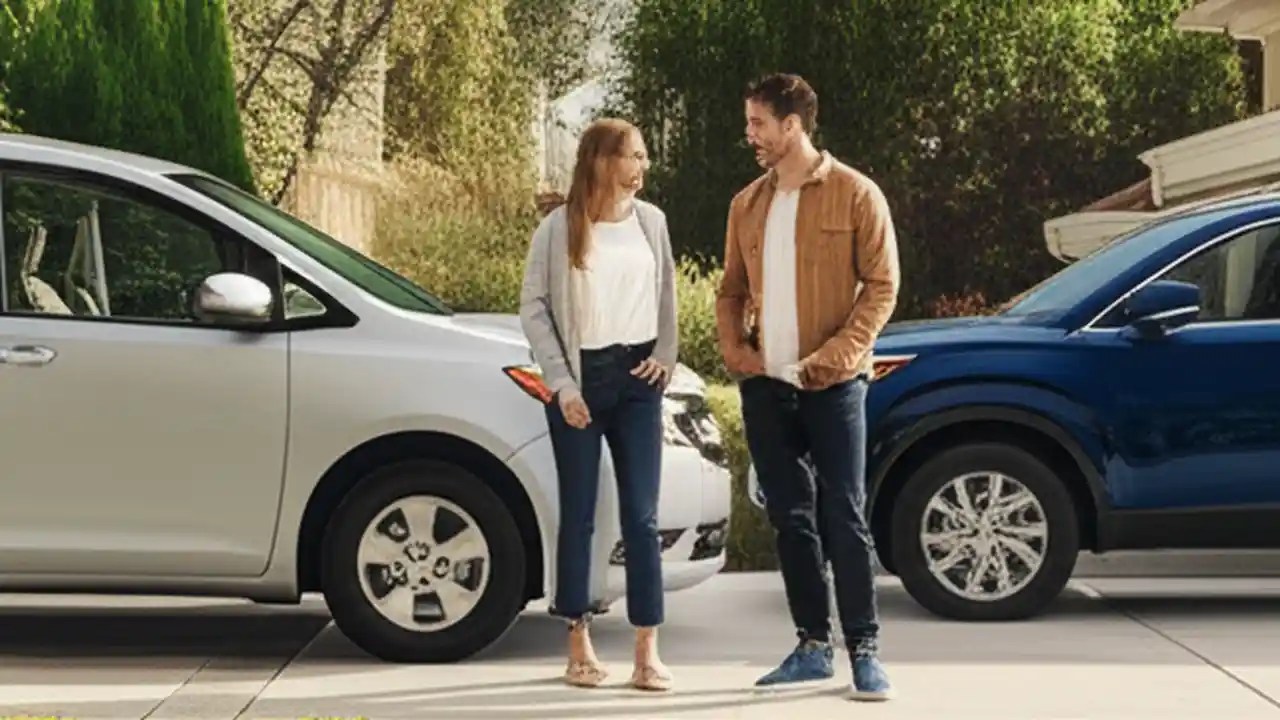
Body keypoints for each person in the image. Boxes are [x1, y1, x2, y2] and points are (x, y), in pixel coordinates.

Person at [715, 73, 901, 701]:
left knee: (843, 514)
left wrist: (838, 355)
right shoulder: (746, 204)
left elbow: (881, 286)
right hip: (767, 385)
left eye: (758, 124)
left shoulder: (856, 194)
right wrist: (735, 351)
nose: (750, 136)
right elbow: (731, 291)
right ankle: (811, 647)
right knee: (790, 518)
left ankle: (866, 652)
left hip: (837, 383)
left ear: (792, 124)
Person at [519, 117, 679, 691]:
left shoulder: (652, 222)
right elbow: (534, 308)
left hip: (639, 378)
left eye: (643, 156)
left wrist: (666, 353)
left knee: (642, 516)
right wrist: (563, 385)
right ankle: (578, 642)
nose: (642, 167)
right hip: (582, 380)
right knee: (580, 513)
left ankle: (646, 649)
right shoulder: (558, 228)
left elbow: (666, 294)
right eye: (633, 156)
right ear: (604, 161)